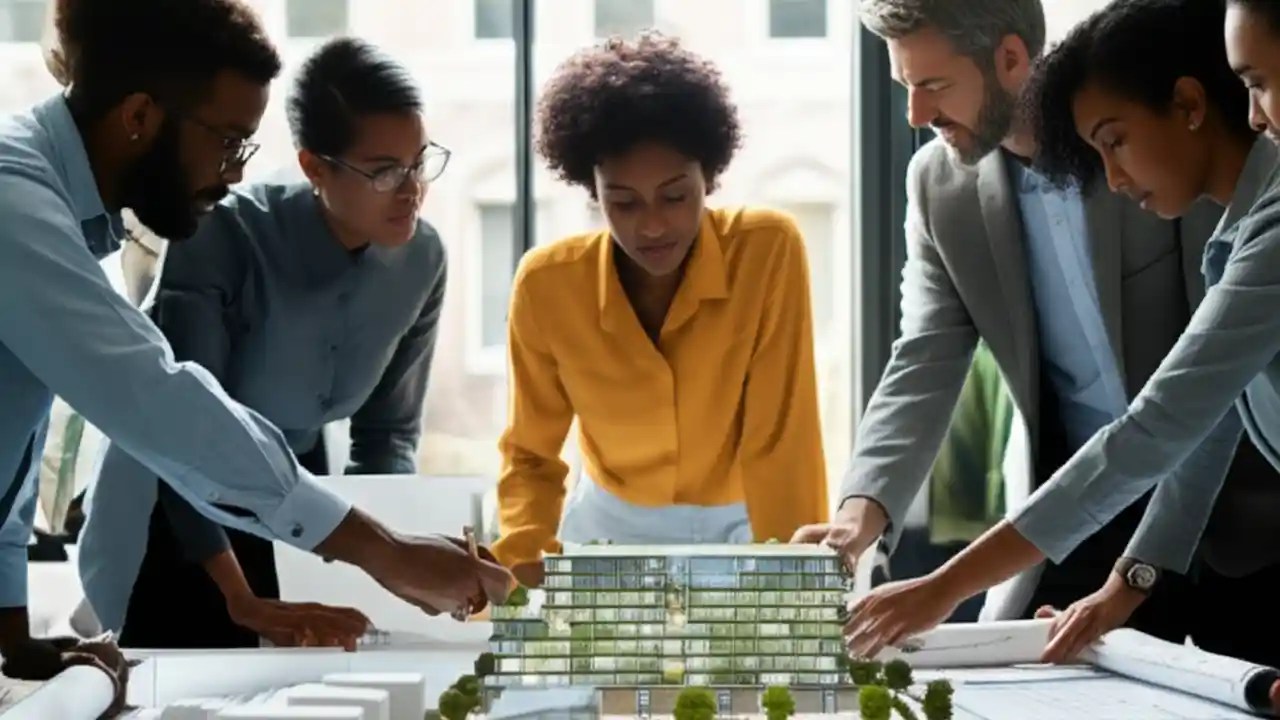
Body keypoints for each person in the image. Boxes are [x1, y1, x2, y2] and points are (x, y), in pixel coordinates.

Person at [0, 0, 510, 684]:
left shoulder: (55, 205)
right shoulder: (14, 201)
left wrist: (12, 635)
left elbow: (10, 446)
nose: (236, 170)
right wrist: (382, 551)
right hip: (181, 521)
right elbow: (157, 398)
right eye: (228, 141)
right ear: (140, 119)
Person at [791, 0, 1276, 654]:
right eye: (904, 89)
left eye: (932, 85)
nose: (916, 115)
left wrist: (941, 587)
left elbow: (1179, 412)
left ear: (1012, 58)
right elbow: (924, 359)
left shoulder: (1153, 135)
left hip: (1243, 521)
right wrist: (861, 516)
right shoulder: (939, 187)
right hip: (1080, 508)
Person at [77, 36, 452, 649]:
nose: (411, 188)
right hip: (174, 509)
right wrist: (240, 596)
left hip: (294, 497)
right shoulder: (221, 233)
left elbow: (386, 438)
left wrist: (395, 559)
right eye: (384, 170)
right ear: (314, 168)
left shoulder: (423, 258)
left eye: (419, 161)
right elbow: (186, 431)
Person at [491, 31, 828, 586]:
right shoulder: (546, 284)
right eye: (622, 202)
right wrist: (521, 566)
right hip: (606, 527)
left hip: (744, 525)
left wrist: (796, 581)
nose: (651, 225)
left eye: (675, 196)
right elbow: (531, 453)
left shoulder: (768, 249)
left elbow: (781, 439)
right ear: (590, 188)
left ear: (709, 176)